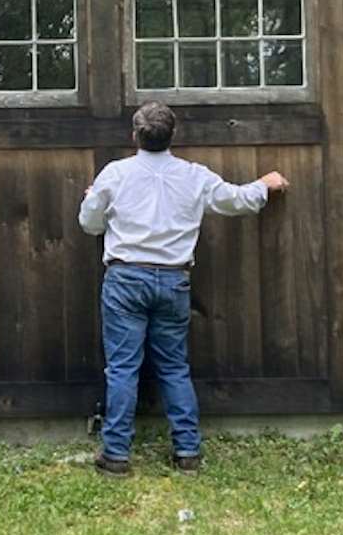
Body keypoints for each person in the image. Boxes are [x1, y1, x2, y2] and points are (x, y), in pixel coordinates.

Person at [77, 101, 287, 475]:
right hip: (174, 279)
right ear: (173, 135)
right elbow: (236, 200)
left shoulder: (115, 174)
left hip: (126, 278)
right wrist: (265, 185)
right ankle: (187, 452)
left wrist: (92, 198)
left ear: (134, 135)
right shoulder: (194, 175)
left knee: (123, 369)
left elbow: (90, 224)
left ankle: (116, 456)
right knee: (174, 367)